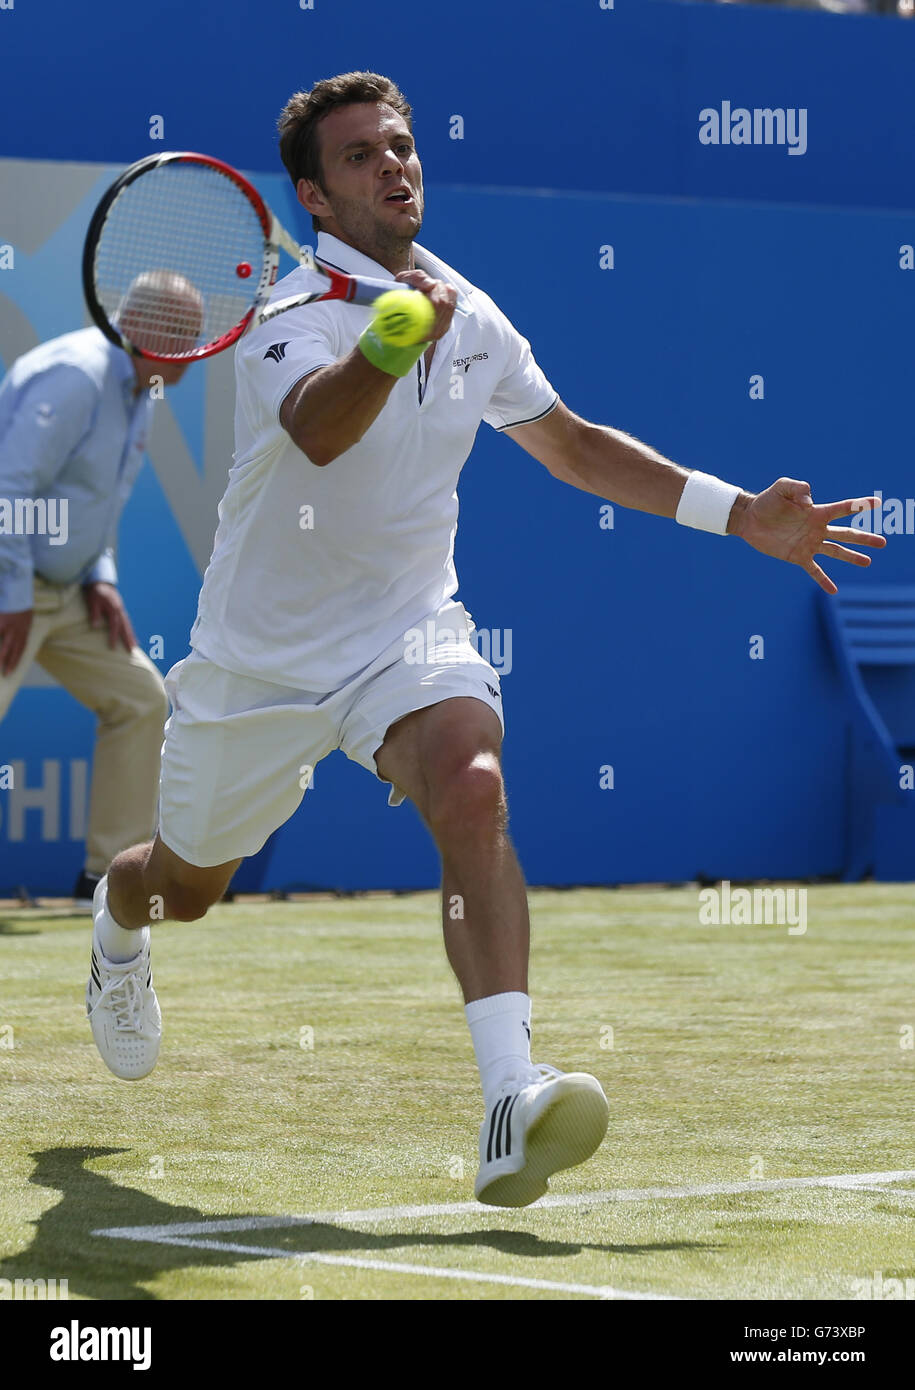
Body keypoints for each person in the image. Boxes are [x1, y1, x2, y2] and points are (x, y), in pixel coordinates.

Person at [84, 73, 884, 1208]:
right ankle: (119, 934)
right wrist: (388, 342)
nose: (394, 166)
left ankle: (510, 1096)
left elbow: (573, 446)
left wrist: (737, 511)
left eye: (402, 146)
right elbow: (318, 430)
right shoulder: (281, 315)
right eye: (361, 155)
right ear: (312, 191)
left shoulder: (468, 308)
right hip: (257, 662)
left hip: (405, 632)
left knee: (472, 782)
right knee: (184, 886)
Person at [0, 272, 203, 906]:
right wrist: (12, 597)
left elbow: (94, 502)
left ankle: (104, 882)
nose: (201, 349)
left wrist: (100, 576)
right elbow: (8, 491)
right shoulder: (79, 376)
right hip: (11, 584)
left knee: (140, 699)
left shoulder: (141, 389)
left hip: (64, 593)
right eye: (189, 336)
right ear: (151, 334)